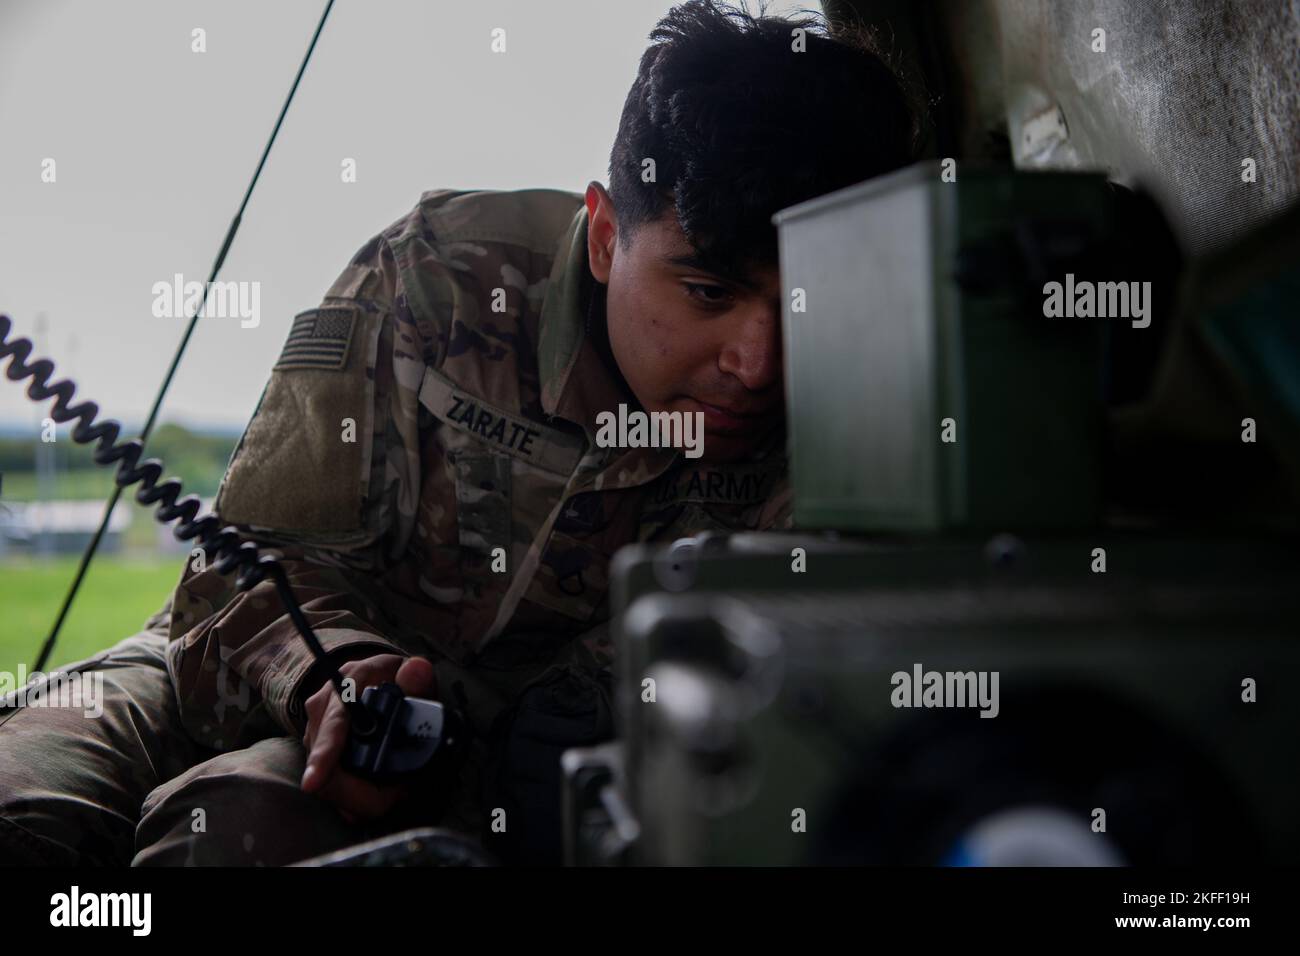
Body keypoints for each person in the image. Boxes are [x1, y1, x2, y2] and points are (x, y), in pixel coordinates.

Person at [0, 0, 917, 865]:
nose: (759, 362)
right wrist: (340, 673)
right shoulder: (441, 276)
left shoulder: (872, 400)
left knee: (242, 824)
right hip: (251, 655)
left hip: (477, 763)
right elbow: (247, 560)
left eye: (808, 297)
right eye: (709, 293)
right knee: (24, 803)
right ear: (604, 235)